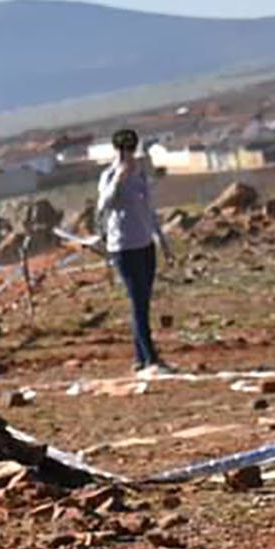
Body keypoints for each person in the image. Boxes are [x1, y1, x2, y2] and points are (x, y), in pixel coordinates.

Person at [95, 128, 171, 376]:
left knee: (144, 302)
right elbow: (104, 205)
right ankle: (151, 358)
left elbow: (149, 210)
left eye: (131, 148)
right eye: (124, 149)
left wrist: (163, 242)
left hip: (145, 244)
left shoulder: (140, 175)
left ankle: (140, 358)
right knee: (137, 302)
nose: (127, 153)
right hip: (123, 247)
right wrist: (118, 179)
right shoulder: (109, 175)